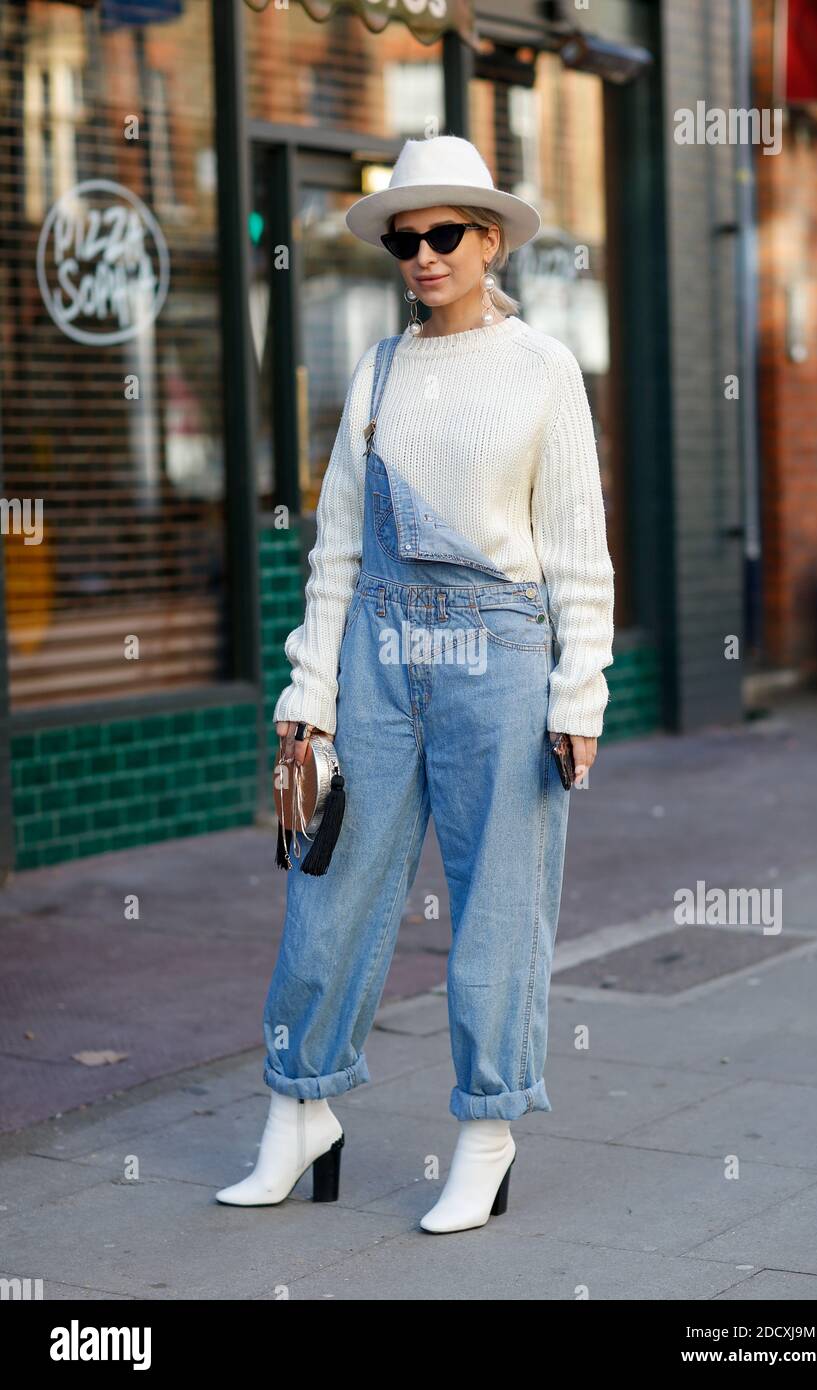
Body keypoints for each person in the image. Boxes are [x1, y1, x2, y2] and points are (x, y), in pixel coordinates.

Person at [216, 135, 615, 1233]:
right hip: (376, 662)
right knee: (325, 886)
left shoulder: (540, 369)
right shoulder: (382, 369)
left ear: (490, 240)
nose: (424, 254)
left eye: (445, 234)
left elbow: (576, 546)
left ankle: (487, 1132)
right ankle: (299, 1111)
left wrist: (579, 691)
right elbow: (337, 547)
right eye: (405, 238)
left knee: (497, 903)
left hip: (498, 662)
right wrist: (307, 696)